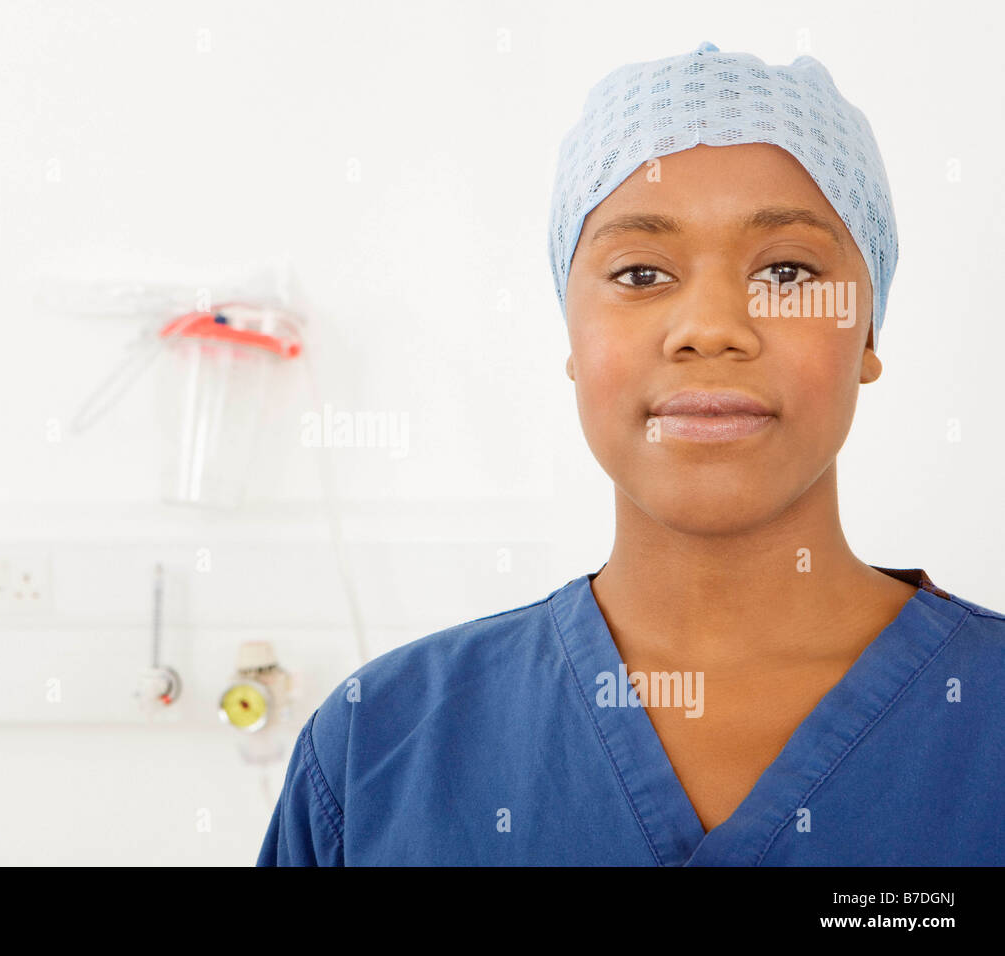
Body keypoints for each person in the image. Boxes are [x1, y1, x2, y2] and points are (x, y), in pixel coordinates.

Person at [256, 41, 1005, 865]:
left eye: (788, 271)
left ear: (868, 329)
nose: (712, 327)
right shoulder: (378, 749)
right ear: (571, 333)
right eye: (641, 273)